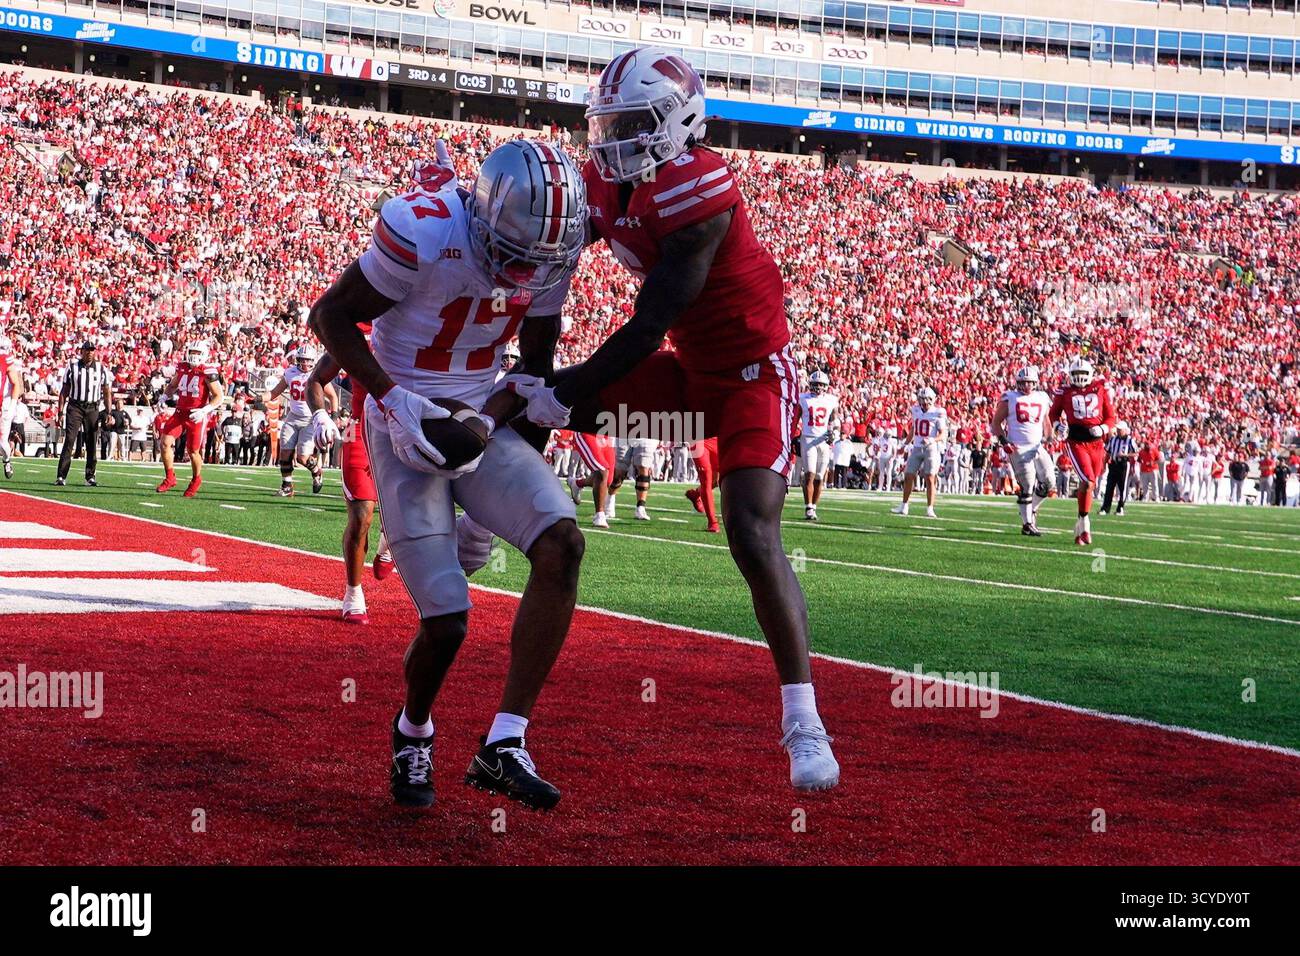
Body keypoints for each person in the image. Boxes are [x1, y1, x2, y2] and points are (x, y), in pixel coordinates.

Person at [506, 50, 838, 790]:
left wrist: (565, 391)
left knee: (751, 529)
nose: (613, 136)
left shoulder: (702, 188)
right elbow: (554, 265)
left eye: (631, 123)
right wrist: (541, 378)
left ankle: (803, 721)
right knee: (522, 393)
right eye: (610, 120)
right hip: (689, 378)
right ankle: (473, 527)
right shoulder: (602, 180)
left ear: (678, 122)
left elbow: (647, 324)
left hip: (752, 376)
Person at [308, 139, 587, 810]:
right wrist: (394, 399)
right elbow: (331, 316)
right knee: (448, 622)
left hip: (477, 411)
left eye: (538, 262)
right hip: (400, 413)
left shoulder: (554, 250)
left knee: (563, 543)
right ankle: (414, 731)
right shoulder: (426, 228)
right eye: (515, 254)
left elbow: (531, 370)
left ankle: (505, 742)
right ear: (485, 215)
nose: (524, 274)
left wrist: (489, 424)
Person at [306, 349, 395, 625]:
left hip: (406, 430)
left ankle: (389, 539)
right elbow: (317, 379)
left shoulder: (421, 325)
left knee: (405, 513)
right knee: (361, 516)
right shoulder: (357, 331)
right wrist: (320, 415)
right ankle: (353, 592)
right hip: (359, 429)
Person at [1049, 357, 1117, 546]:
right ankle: (1085, 525)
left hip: (1096, 444)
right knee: (1087, 481)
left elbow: (1111, 417)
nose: (1079, 378)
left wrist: (1103, 429)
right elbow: (1053, 413)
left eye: (1082, 374)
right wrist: (1057, 426)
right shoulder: (1065, 391)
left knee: (1090, 484)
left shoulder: (1100, 388)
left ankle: (1079, 523)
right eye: (1075, 374)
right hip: (1076, 441)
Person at [990, 365, 1054, 536]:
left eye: (1030, 382)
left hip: (1037, 446)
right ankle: (1027, 524)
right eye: (1024, 382)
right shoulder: (1010, 397)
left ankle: (1031, 509)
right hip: (1018, 446)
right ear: (1018, 382)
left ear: (1035, 383)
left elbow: (1045, 421)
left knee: (1049, 482)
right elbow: (996, 423)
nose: (1027, 386)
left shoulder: (1042, 397)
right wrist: (1004, 441)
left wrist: (1050, 436)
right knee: (1027, 484)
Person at [156, 341, 224, 498]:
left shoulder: (208, 371)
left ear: (204, 354)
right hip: (180, 412)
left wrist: (204, 410)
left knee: (193, 451)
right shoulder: (182, 367)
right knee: (164, 443)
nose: (194, 355)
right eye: (192, 352)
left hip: (196, 414)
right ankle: (170, 477)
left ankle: (196, 479)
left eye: (197, 352)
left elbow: (219, 397)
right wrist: (164, 397)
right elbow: (173, 385)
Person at [268, 345, 333, 496]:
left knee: (302, 457)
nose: (304, 363)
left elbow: (333, 396)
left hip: (310, 419)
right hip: (293, 416)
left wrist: (333, 415)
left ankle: (317, 472)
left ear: (313, 361)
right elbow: (274, 392)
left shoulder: (318, 375)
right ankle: (287, 486)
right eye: (301, 359)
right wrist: (258, 398)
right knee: (285, 453)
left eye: (307, 360)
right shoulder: (290, 373)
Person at [56, 341, 112, 487]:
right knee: (69, 439)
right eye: (87, 350)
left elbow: (106, 391)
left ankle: (90, 476)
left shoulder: (101, 368)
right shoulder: (73, 366)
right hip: (75, 406)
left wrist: (109, 412)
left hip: (93, 407)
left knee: (92, 441)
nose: (90, 353)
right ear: (82, 351)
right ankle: (61, 476)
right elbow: (64, 390)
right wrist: (60, 411)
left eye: (92, 350)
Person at [892, 386, 947, 518]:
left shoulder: (938, 412)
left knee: (930, 478)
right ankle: (904, 506)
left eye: (926, 399)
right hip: (916, 448)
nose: (923, 402)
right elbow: (913, 429)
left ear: (932, 399)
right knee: (908, 475)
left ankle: (930, 508)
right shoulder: (916, 410)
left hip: (930, 449)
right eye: (921, 399)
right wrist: (905, 444)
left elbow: (943, 433)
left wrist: (932, 440)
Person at [797, 369, 837, 520]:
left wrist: (833, 431)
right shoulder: (803, 398)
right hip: (808, 438)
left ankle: (814, 507)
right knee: (809, 474)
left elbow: (834, 418)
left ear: (826, 385)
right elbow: (796, 417)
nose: (818, 387)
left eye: (821, 384)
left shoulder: (831, 400)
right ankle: (808, 507)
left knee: (820, 476)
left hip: (823, 440)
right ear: (810, 384)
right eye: (816, 384)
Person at [1101, 421, 1137, 515]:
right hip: (1113, 464)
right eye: (1118, 429)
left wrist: (1125, 455)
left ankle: (1120, 508)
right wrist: (1104, 465)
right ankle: (1105, 508)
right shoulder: (1113, 439)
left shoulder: (1130, 440)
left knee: (1122, 487)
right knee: (1109, 486)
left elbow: (1135, 453)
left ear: (1125, 430)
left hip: (1123, 464)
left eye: (1120, 429)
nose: (1118, 430)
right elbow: (1108, 452)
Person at [0, 335, 23, 479]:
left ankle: (6, 459)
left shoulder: (4, 358)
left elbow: (16, 383)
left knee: (2, 442)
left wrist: (12, 405)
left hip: (3, 405)